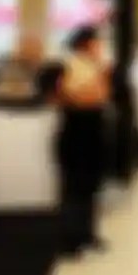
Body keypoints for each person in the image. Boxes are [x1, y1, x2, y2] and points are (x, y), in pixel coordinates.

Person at [49, 26, 111, 256]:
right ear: (86, 44)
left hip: (93, 133)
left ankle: (87, 234)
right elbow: (80, 97)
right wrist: (93, 89)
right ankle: (69, 240)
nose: (100, 47)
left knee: (90, 187)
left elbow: (102, 96)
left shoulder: (96, 66)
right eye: (97, 42)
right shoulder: (70, 65)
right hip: (76, 135)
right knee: (74, 188)